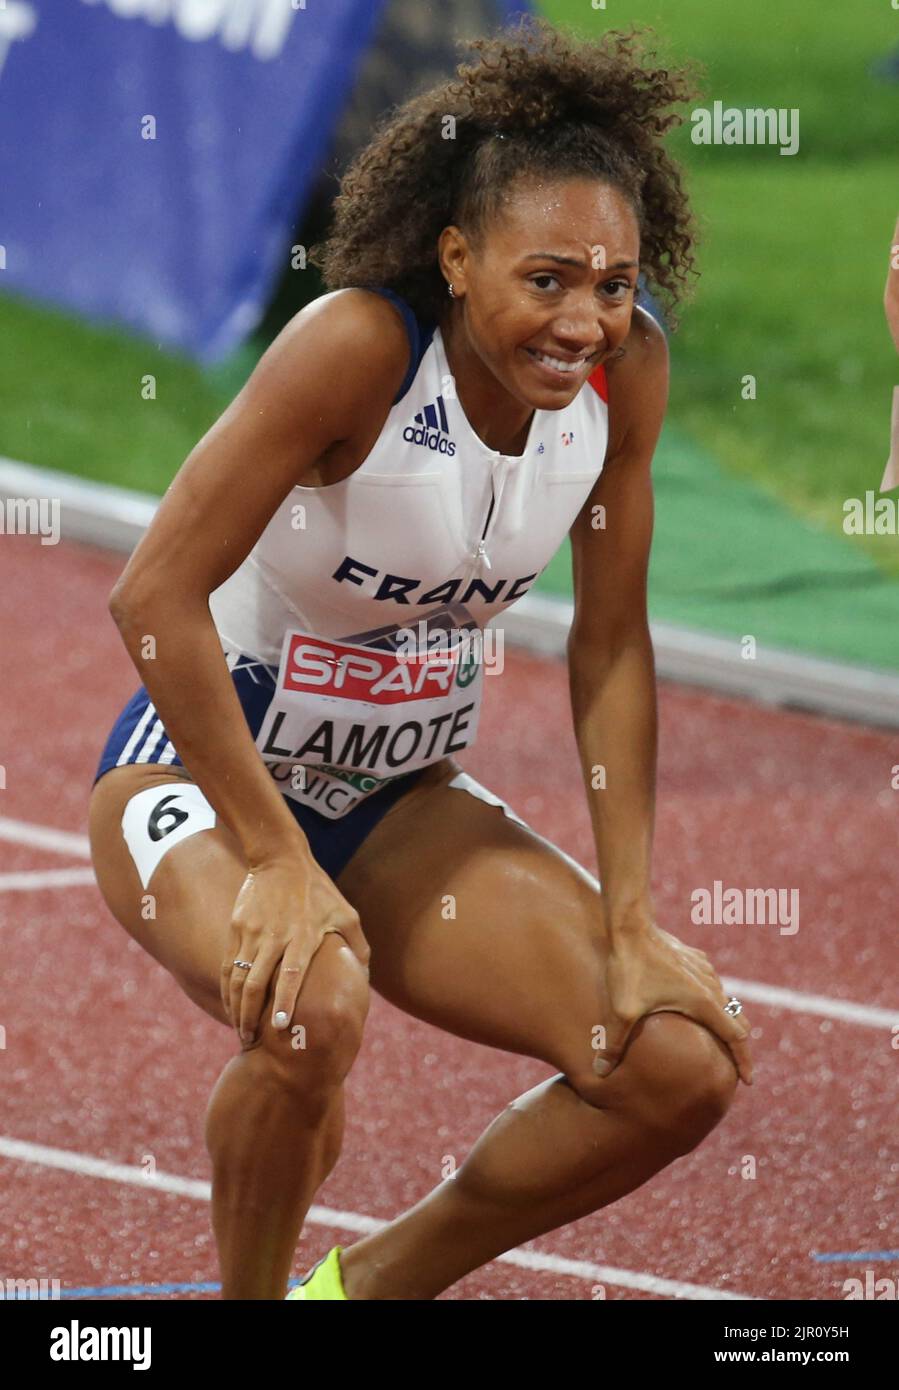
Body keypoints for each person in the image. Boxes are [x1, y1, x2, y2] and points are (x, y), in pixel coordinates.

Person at [88, 17, 753, 1302]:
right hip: (206, 775)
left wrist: (630, 919)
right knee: (312, 1006)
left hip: (398, 800)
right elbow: (153, 594)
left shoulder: (628, 381)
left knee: (676, 1062)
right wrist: (275, 856)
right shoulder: (357, 351)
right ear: (456, 257)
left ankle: (362, 1294)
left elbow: (610, 644)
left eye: (613, 284)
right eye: (546, 278)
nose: (584, 321)